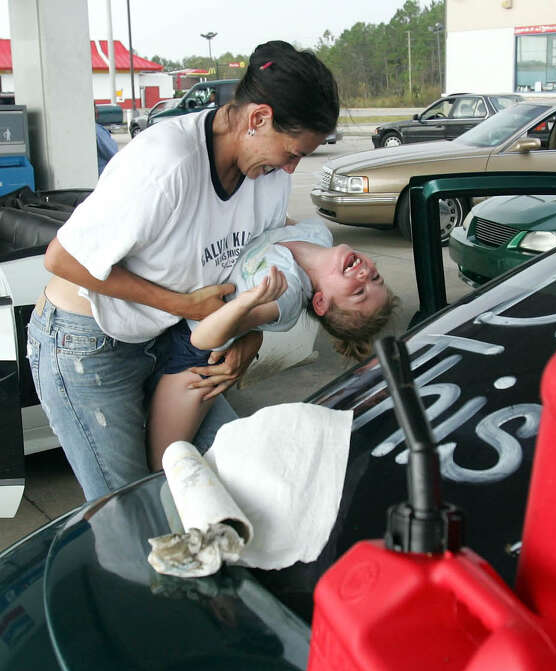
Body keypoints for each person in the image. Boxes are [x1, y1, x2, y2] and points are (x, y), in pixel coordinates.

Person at [27, 40, 339, 501]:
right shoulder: (168, 161)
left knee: (228, 481)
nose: (291, 167)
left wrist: (249, 338)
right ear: (257, 118)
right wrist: (181, 303)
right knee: (136, 510)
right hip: (87, 342)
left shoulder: (270, 180)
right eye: (292, 152)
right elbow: (62, 258)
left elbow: (254, 261)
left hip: (169, 338)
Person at [147, 219, 394, 469]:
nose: (364, 275)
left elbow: (203, 338)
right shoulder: (316, 232)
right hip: (173, 318)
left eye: (358, 292)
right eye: (375, 277)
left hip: (195, 361)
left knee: (166, 465)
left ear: (320, 303)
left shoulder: (286, 294)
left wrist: (245, 302)